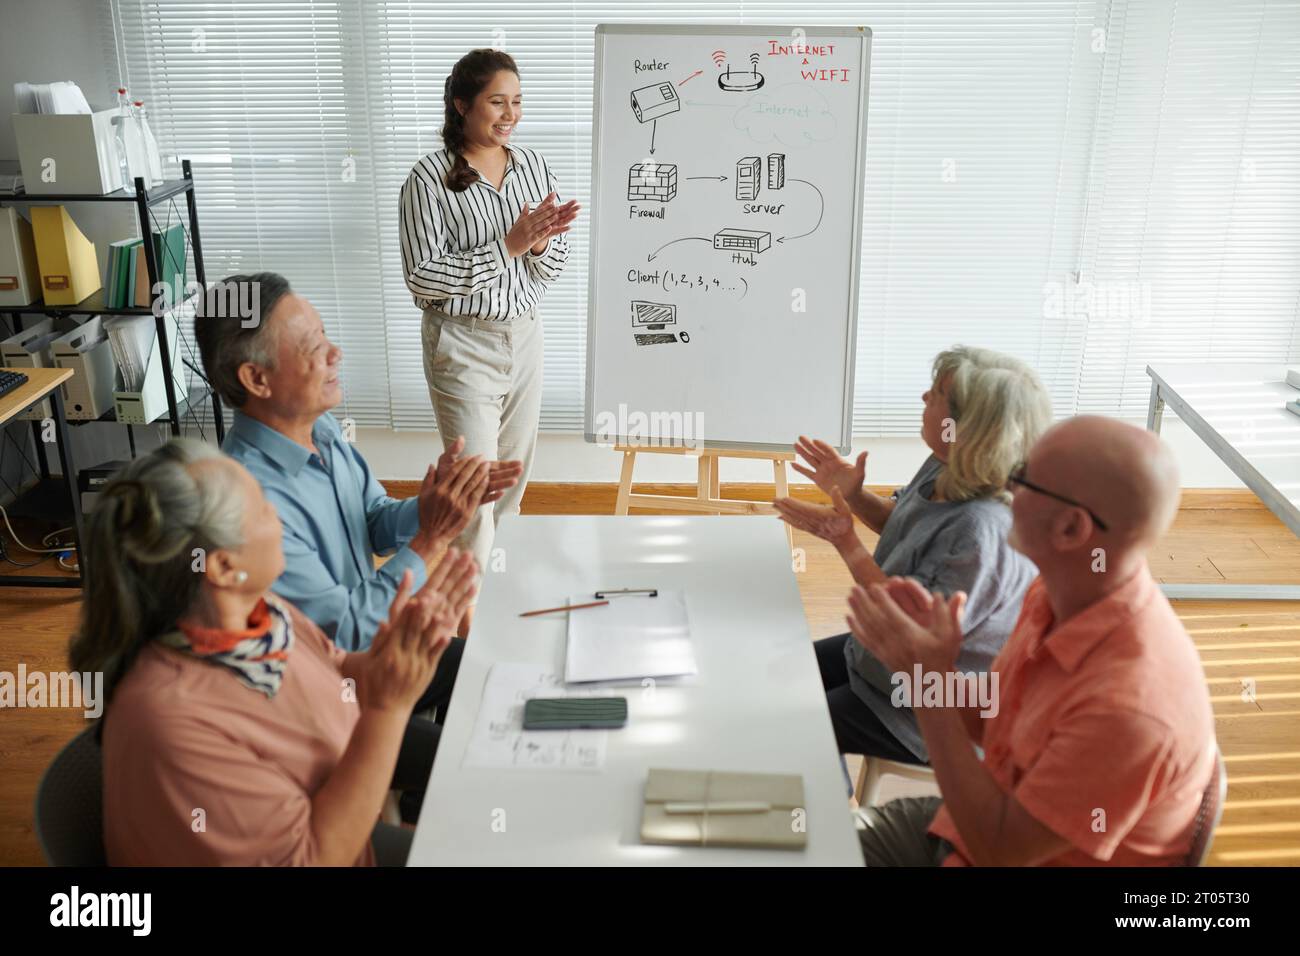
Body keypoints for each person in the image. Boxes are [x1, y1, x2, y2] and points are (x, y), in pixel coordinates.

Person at [70, 439, 477, 866]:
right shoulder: (171, 723)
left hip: (336, 827)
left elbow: (335, 668)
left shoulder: (258, 610)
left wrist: (396, 656)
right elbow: (314, 860)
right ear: (224, 567)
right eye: (263, 508)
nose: (280, 517)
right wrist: (390, 706)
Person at [848, 416, 1216, 866]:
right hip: (971, 825)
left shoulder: (1128, 706)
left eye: (1021, 478)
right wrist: (922, 665)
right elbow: (996, 712)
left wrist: (925, 677)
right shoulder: (1059, 592)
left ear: (1071, 529)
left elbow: (1001, 852)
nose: (1005, 490)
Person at [194, 273, 518, 784]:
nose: (335, 353)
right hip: (329, 693)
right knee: (465, 762)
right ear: (257, 379)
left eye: (325, 336)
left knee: (491, 675)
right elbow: (346, 630)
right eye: (313, 347)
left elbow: (372, 521)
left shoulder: (319, 428)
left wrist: (428, 507)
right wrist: (431, 538)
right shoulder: (249, 504)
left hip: (375, 652)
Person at [775, 347, 1051, 766]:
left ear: (967, 427)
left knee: (786, 728)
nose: (925, 398)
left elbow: (910, 626)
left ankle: (822, 820)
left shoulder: (981, 530)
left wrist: (845, 542)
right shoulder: (948, 466)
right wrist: (854, 495)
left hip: (921, 709)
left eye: (937, 394)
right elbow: (906, 527)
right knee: (777, 678)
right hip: (878, 662)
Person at [399, 48, 579, 632]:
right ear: (462, 105)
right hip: (463, 343)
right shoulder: (429, 178)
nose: (510, 114)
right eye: (498, 101)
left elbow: (550, 271)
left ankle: (497, 604)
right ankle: (461, 630)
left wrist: (543, 244)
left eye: (518, 101)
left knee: (511, 483)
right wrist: (508, 244)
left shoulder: (532, 166)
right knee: (472, 490)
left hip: (524, 336)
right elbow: (423, 279)